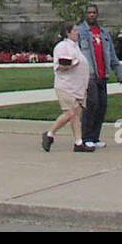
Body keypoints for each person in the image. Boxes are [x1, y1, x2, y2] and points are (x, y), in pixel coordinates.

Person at [75, 3, 122, 149]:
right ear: (86, 14)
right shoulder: (80, 32)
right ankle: (86, 138)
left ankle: (95, 137)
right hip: (89, 76)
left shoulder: (104, 33)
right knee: (91, 106)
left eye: (94, 12)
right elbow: (75, 53)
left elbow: (112, 55)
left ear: (97, 14)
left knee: (102, 107)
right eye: (89, 12)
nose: (92, 15)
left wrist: (119, 71)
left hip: (103, 75)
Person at [42, 24, 92, 153]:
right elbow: (61, 66)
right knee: (70, 113)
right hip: (66, 86)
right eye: (75, 30)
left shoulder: (76, 47)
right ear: (67, 32)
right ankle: (49, 134)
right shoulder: (62, 47)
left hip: (78, 87)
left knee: (76, 116)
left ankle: (78, 142)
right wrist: (74, 63)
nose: (77, 33)